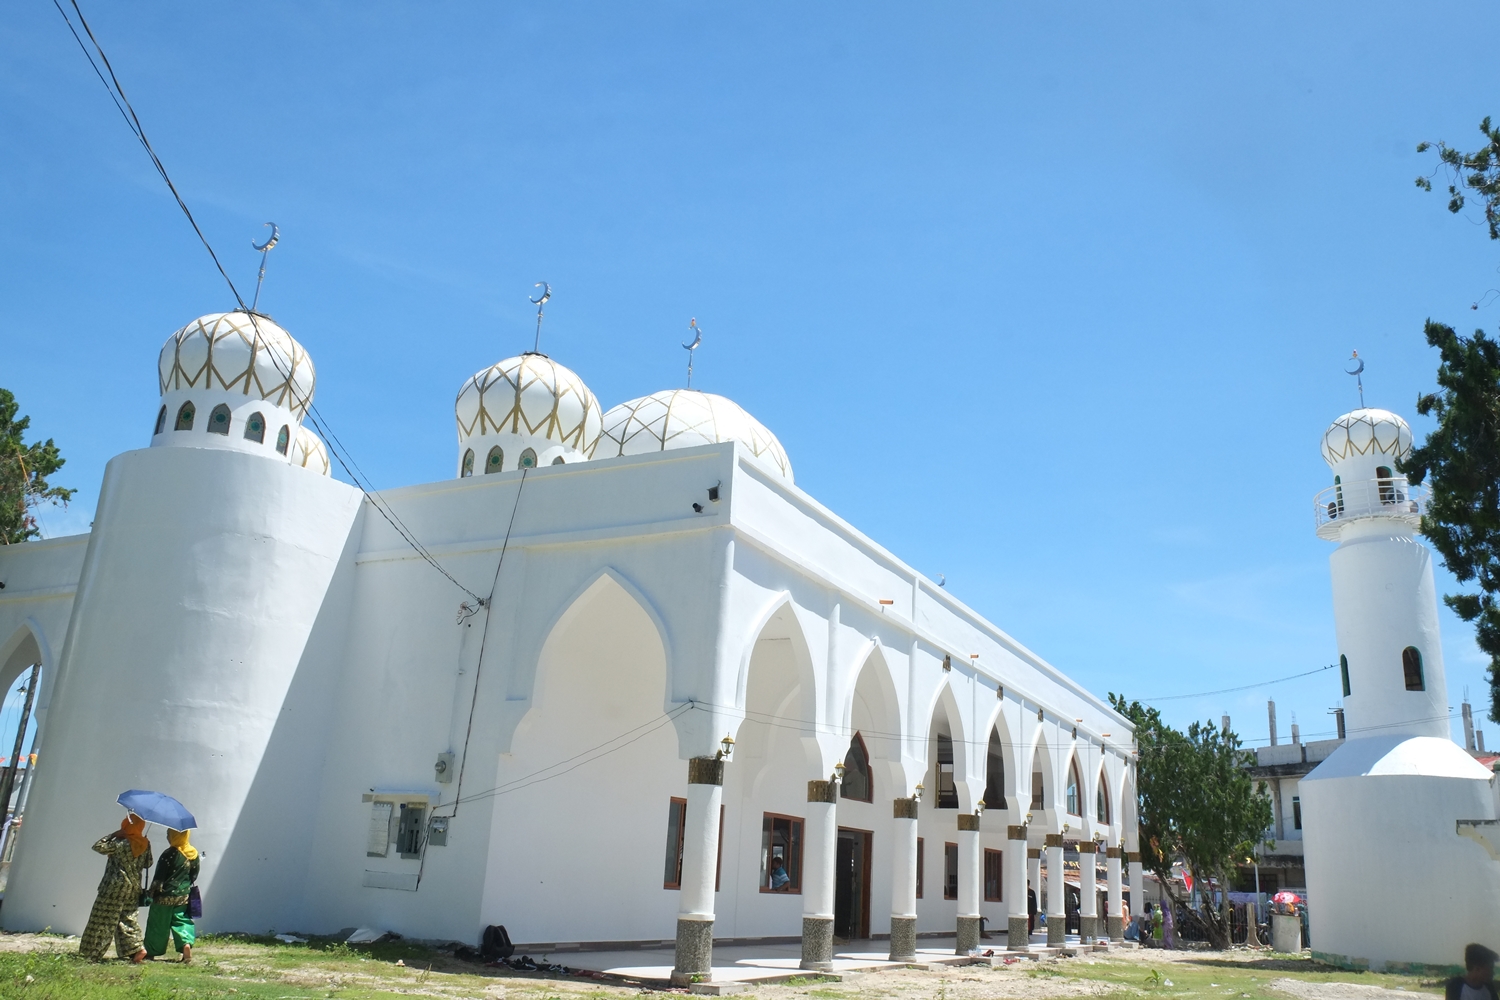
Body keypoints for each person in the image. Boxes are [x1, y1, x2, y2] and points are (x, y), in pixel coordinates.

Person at [80, 814, 153, 963]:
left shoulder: (121, 843)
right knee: (128, 919)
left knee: (101, 920)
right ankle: (138, 949)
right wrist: (140, 845)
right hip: (133, 888)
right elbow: (148, 863)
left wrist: (113, 835)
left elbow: (98, 847)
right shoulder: (145, 843)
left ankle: (91, 954)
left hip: (114, 888)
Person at [144, 827, 200, 963]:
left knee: (158, 924)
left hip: (164, 897)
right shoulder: (193, 854)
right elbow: (194, 875)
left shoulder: (168, 854)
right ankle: (185, 944)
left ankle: (151, 952)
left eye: (169, 834)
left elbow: (159, 878)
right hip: (183, 896)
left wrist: (151, 894)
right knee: (182, 921)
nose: (168, 837)